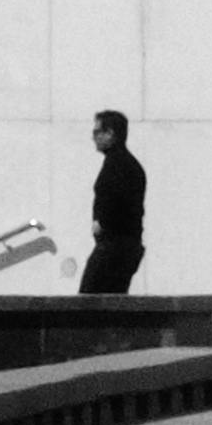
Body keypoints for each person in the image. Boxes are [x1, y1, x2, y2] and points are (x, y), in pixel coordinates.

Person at [78, 110, 144, 294]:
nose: (94, 138)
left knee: (87, 304)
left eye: (97, 132)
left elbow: (118, 201)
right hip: (124, 246)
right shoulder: (126, 163)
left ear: (110, 134)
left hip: (114, 247)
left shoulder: (118, 164)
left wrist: (102, 224)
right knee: (110, 306)